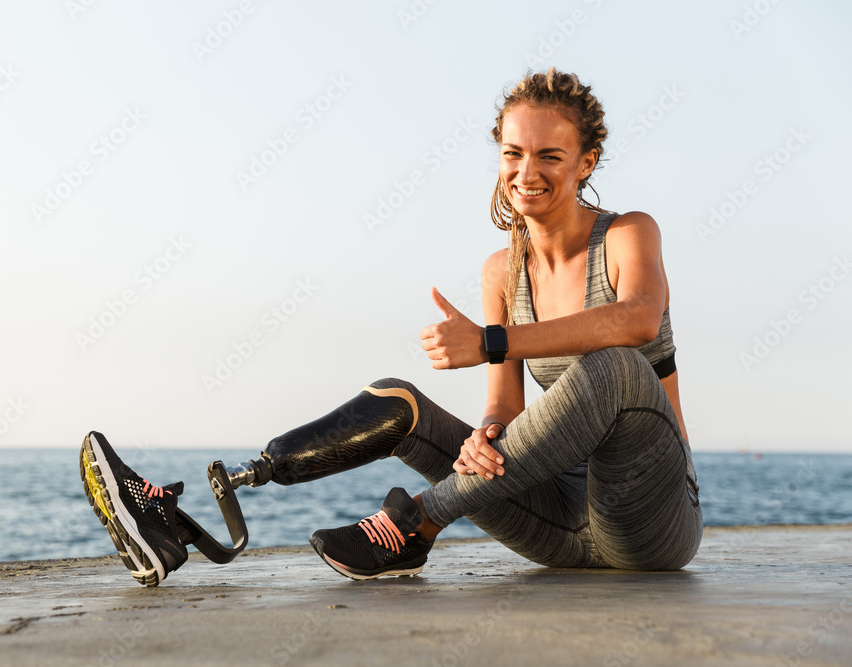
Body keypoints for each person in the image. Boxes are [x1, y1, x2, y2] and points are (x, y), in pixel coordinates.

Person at [79, 68, 702, 587]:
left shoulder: (627, 234)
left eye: (550, 155)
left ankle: (418, 524)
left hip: (650, 520)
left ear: (587, 162)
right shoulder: (501, 273)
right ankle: (192, 509)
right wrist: (485, 435)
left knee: (617, 364)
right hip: (556, 524)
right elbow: (506, 405)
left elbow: (636, 319)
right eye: (512, 153)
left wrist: (489, 342)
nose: (526, 171)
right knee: (396, 399)